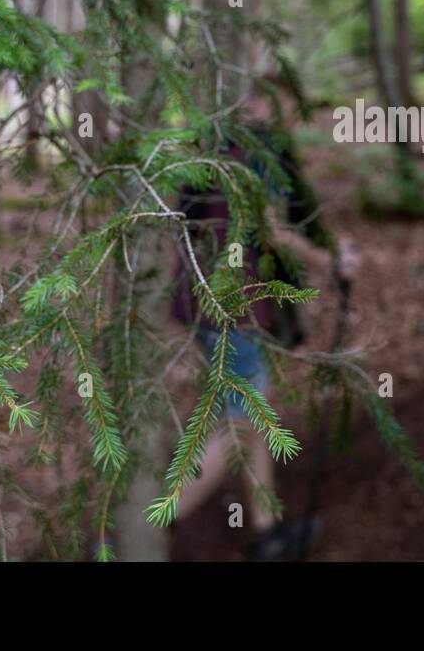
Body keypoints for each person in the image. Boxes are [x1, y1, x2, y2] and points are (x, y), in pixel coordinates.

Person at [169, 118, 351, 560]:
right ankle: (145, 531)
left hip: (206, 303)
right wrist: (332, 259)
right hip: (234, 310)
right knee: (238, 426)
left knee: (247, 421)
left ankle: (267, 533)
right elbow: (271, 230)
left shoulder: (211, 152)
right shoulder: (250, 155)